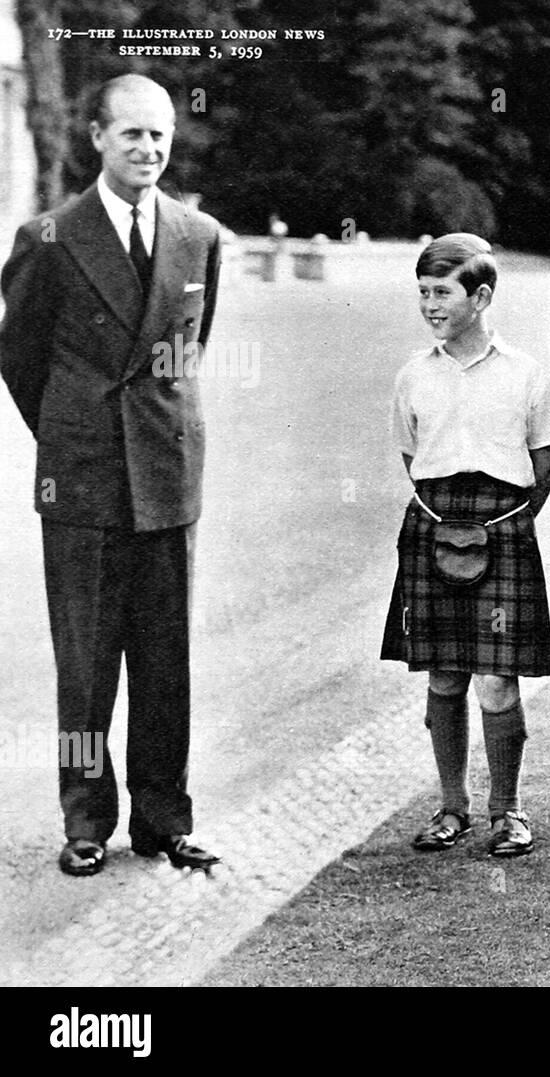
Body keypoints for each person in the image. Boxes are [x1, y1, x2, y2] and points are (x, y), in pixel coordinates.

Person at [0, 75, 222, 877]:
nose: (149, 149)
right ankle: (86, 817)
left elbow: (183, 355)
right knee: (86, 665)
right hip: (85, 481)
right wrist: (75, 433)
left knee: (167, 664)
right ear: (96, 137)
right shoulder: (50, 237)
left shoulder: (199, 235)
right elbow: (20, 356)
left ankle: (163, 819)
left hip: (166, 476)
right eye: (131, 134)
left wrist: (148, 431)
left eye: (160, 135)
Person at [382, 233, 550, 859]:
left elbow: (546, 462)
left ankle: (507, 811)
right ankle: (451, 806)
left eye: (444, 293)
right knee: (445, 676)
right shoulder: (413, 374)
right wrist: (452, 518)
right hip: (433, 523)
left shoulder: (525, 374)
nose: (431, 305)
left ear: (481, 297)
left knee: (498, 685)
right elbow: (412, 456)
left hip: (503, 527)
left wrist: (501, 525)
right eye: (424, 293)